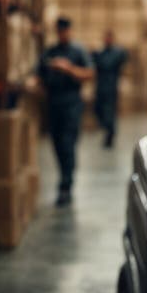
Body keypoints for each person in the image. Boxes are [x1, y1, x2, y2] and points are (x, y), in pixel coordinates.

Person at [37, 17, 95, 206]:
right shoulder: (50, 52)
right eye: (59, 31)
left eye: (65, 31)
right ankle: (64, 177)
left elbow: (89, 73)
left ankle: (65, 185)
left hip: (71, 105)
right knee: (57, 144)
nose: (62, 34)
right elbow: (39, 76)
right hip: (53, 105)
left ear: (70, 31)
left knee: (68, 144)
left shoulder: (78, 51)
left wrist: (68, 68)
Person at [92, 30, 128, 148]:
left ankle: (110, 133)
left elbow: (109, 63)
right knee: (98, 110)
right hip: (100, 86)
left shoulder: (116, 53)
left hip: (111, 87)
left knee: (109, 112)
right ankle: (108, 130)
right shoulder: (101, 52)